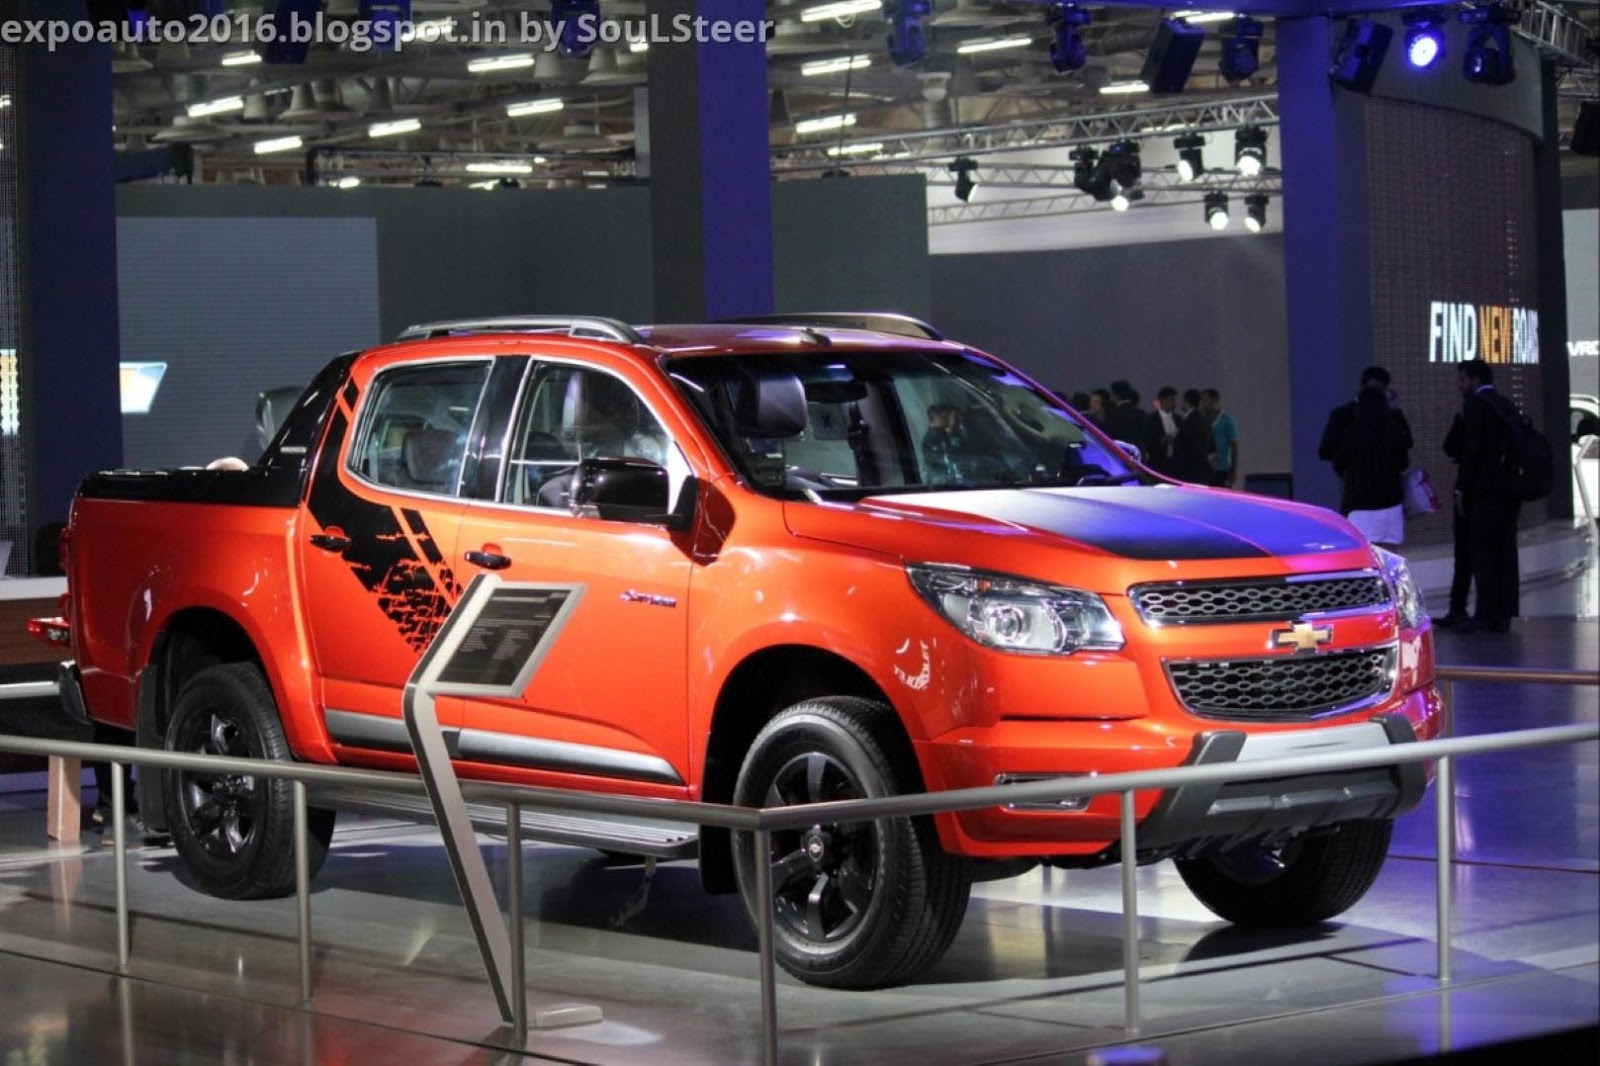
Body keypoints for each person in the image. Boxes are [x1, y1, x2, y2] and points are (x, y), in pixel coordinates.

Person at [1452, 359, 1520, 633]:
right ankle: (1504, 613)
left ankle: (1484, 614)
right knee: (1504, 552)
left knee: (1482, 553)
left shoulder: (1475, 406)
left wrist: (1461, 487)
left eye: (1462, 379)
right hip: (1507, 491)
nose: (1459, 385)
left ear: (1474, 380)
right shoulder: (1504, 404)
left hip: (1483, 492)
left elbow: (1472, 452)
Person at [1317, 366, 1414, 548]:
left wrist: (1348, 468)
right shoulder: (1390, 428)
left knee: (1362, 553)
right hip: (1390, 502)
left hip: (1359, 499)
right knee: (1389, 555)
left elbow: (1337, 458)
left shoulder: (1353, 432)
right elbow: (1403, 459)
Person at [1436, 412, 1474, 627]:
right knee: (1474, 557)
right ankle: (1487, 611)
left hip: (1468, 494)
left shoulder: (1468, 415)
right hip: (1490, 496)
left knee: (1464, 557)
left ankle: (1458, 608)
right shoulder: (1502, 411)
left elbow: (1450, 447)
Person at [922, 403, 973, 484]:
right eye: (945, 416)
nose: (949, 419)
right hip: (944, 482)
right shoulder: (933, 438)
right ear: (936, 418)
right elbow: (947, 458)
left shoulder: (948, 434)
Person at [1172, 388, 1212, 484]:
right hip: (1202, 467)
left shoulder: (1188, 421)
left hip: (1189, 468)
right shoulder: (1204, 419)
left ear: (1187, 402)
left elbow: (1185, 444)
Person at [1202, 388, 1238, 488]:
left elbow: (1234, 445)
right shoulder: (1202, 419)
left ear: (1214, 401)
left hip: (1223, 468)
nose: (1202, 403)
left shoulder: (1227, 419)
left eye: (1205, 400)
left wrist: (1233, 469)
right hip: (1205, 468)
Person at [1145, 386, 1179, 476]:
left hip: (1175, 461)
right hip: (1158, 461)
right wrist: (1163, 440)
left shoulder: (1178, 419)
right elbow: (1148, 440)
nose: (1174, 403)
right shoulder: (1151, 419)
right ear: (1163, 400)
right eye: (1171, 400)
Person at [1104, 380, 1147, 451]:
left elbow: (1110, 436)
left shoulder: (1113, 414)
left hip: (1120, 453)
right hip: (1137, 452)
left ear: (1115, 395)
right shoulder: (1141, 413)